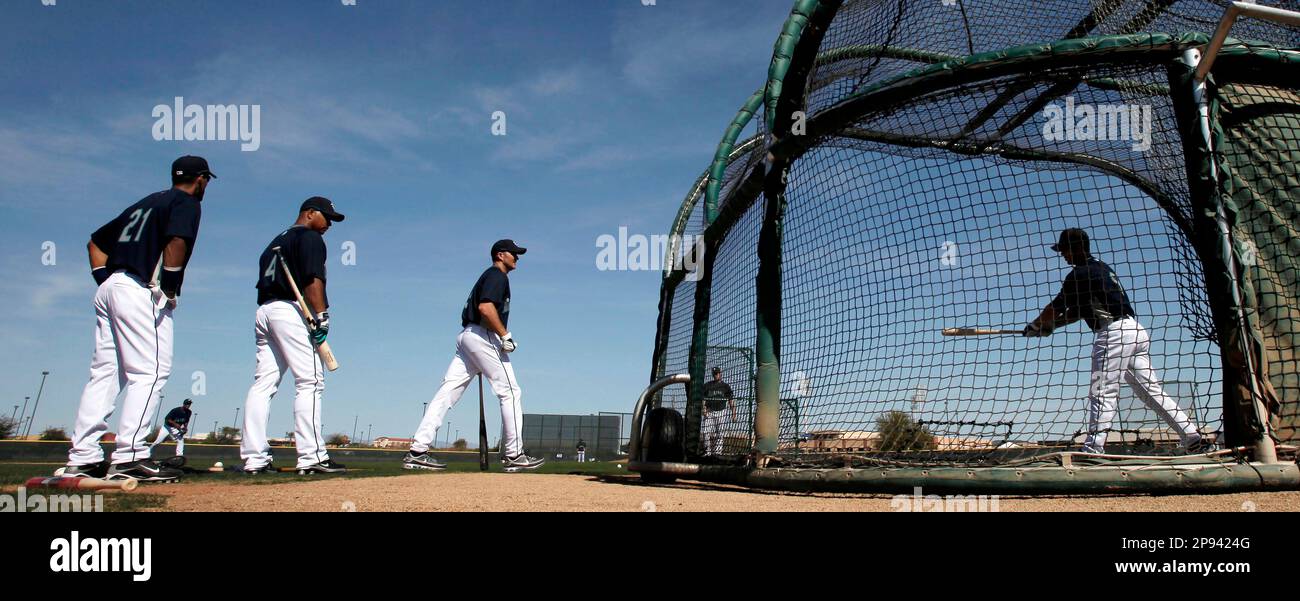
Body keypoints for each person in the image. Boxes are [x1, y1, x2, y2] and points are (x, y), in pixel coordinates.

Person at [64, 156, 214, 482]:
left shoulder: (145, 203)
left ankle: (83, 456)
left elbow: (95, 243)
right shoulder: (186, 201)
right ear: (200, 179)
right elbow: (177, 241)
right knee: (150, 371)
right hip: (142, 289)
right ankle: (130, 456)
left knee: (105, 374)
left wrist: (106, 281)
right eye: (207, 180)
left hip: (112, 286)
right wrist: (170, 286)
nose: (206, 186)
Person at [1024, 228, 1207, 455]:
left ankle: (1093, 449)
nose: (1063, 255)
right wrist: (1049, 327)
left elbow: (1054, 308)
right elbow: (1077, 312)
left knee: (1101, 391)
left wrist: (1035, 325)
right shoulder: (1101, 267)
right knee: (1150, 391)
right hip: (1135, 331)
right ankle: (1191, 437)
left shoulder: (1079, 274)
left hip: (1113, 335)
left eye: (1065, 250)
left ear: (1077, 249)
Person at [404, 240, 545, 472]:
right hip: (483, 335)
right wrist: (505, 335)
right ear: (501, 255)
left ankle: (417, 451)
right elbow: (486, 308)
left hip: (468, 336)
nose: (517, 258)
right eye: (514, 254)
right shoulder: (497, 276)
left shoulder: (489, 275)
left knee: (446, 393)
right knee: (510, 391)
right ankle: (514, 454)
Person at [240, 197, 348, 475]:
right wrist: (323, 315)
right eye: (326, 218)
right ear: (310, 214)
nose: (329, 225)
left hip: (264, 311)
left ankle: (254, 458)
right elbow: (314, 280)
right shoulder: (310, 238)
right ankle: (312, 457)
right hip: (290, 310)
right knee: (310, 381)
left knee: (263, 385)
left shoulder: (274, 243)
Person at [702, 366, 736, 456]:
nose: (716, 375)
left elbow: (731, 400)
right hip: (709, 411)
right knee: (706, 432)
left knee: (720, 433)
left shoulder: (725, 386)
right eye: (714, 374)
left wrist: (734, 414)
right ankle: (707, 452)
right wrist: (704, 409)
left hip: (721, 411)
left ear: (720, 374)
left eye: (717, 373)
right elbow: (703, 399)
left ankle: (717, 453)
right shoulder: (707, 385)